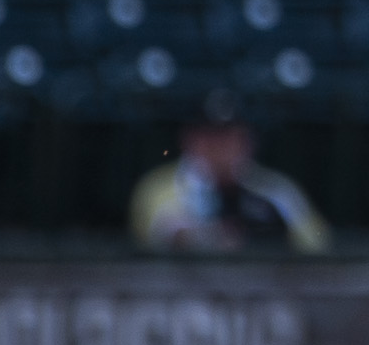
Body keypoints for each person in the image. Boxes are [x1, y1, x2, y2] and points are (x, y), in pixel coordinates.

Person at [130, 91, 332, 252]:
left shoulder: (275, 189)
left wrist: (266, 236)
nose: (221, 147)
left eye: (230, 137)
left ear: (248, 141)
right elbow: (157, 234)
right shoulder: (158, 187)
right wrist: (214, 236)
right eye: (211, 137)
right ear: (190, 139)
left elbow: (317, 243)